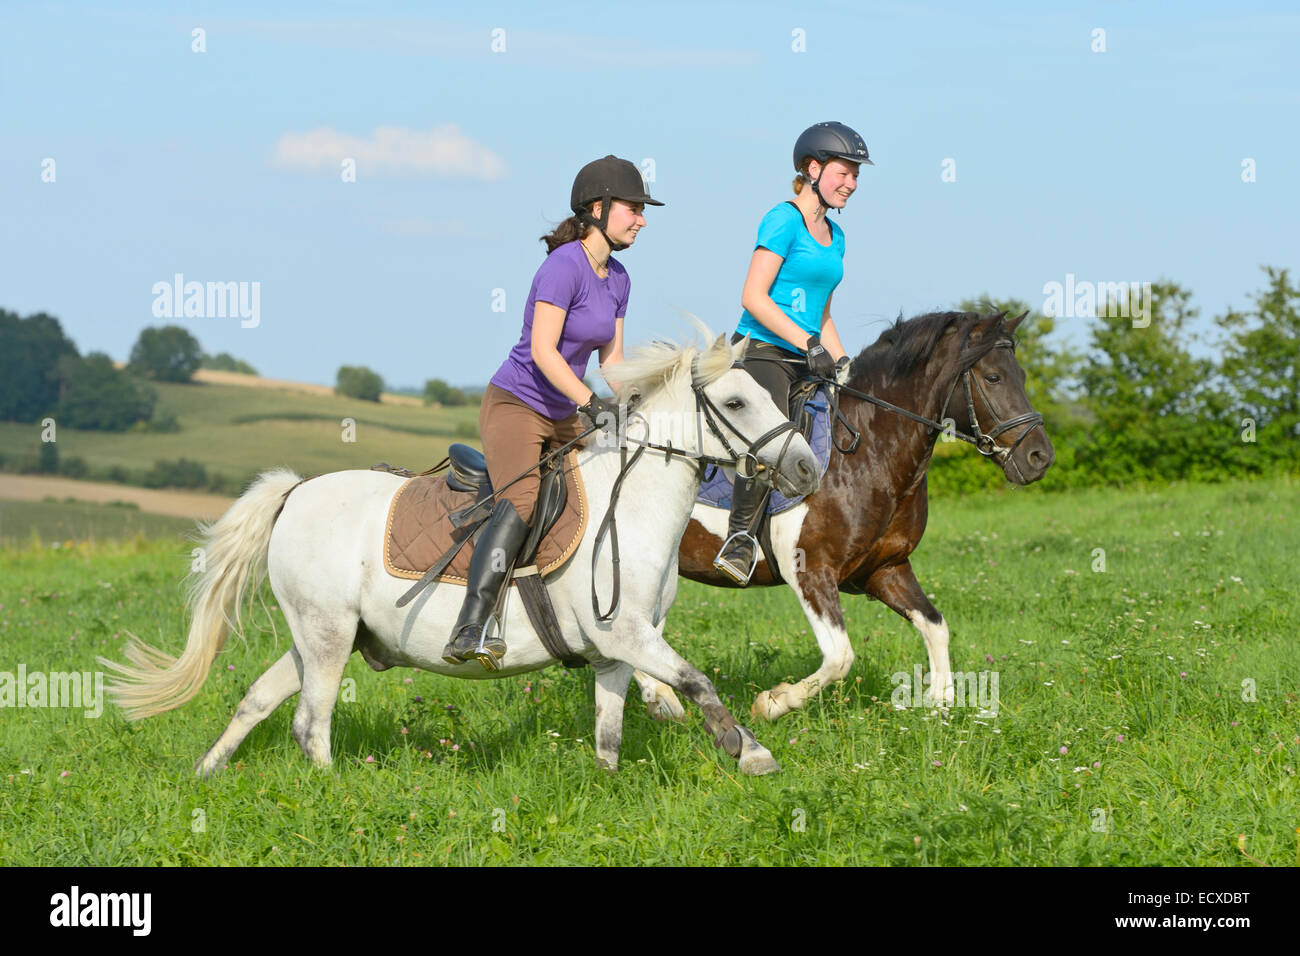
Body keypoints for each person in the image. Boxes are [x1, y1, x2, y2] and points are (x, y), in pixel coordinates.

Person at [442, 155, 663, 670]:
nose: (642, 219)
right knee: (520, 500)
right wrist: (593, 404)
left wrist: (636, 405)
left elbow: (613, 362)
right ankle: (469, 627)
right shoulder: (562, 266)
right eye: (633, 208)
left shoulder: (620, 278)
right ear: (599, 208)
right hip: (518, 403)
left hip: (565, 409)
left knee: (608, 481)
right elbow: (543, 351)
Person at [713, 122, 871, 585]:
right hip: (763, 350)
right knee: (772, 433)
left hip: (812, 354)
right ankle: (739, 537)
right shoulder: (782, 219)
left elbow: (821, 314)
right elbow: (754, 297)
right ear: (813, 168)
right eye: (844, 172)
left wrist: (844, 364)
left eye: (857, 175)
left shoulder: (836, 237)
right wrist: (807, 345)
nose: (852, 184)